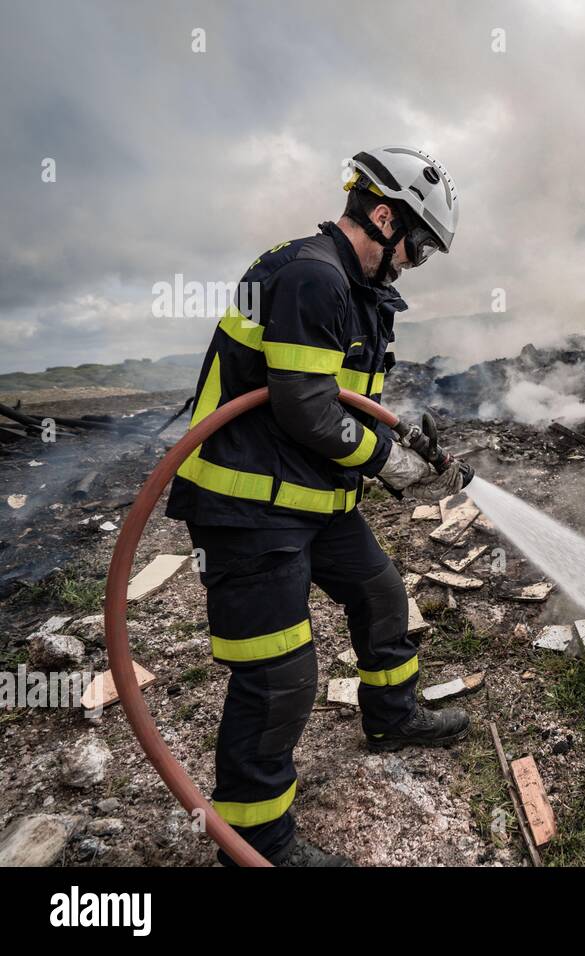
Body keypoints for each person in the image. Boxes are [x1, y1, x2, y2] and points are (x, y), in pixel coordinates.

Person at [165, 146, 473, 866]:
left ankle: (391, 717)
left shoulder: (356, 290)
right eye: (419, 247)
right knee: (279, 676)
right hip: (246, 505)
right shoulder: (311, 275)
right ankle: (256, 843)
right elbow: (307, 409)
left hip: (308, 496)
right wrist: (391, 463)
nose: (415, 262)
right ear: (385, 216)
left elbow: (343, 400)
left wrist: (406, 440)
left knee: (379, 592)